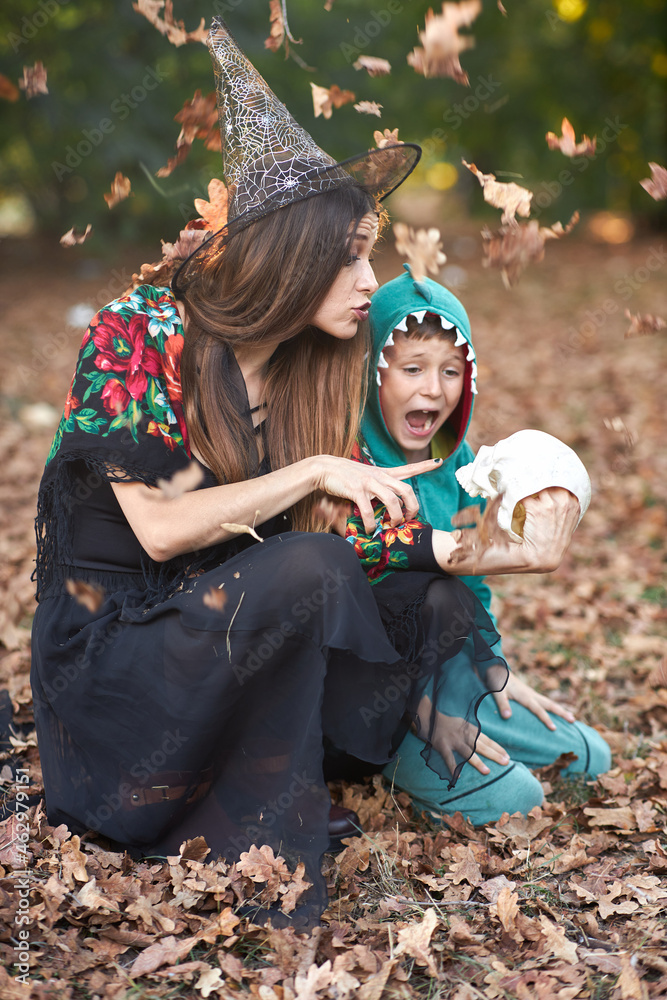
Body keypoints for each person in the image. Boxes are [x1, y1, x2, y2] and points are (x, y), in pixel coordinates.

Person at [30, 20, 525, 929]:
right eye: (347, 258)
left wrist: (489, 546)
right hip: (112, 664)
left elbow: (361, 531)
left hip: (211, 637)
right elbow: (163, 530)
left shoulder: (307, 368)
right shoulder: (139, 330)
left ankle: (270, 771)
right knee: (314, 568)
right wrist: (309, 472)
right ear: (287, 258)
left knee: (423, 596)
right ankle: (239, 799)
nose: (369, 280)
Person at [342, 267, 610, 825]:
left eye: (451, 371)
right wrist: (418, 707)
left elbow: (473, 583)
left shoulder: (458, 464)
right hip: (378, 700)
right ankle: (396, 761)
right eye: (412, 368)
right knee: (517, 799)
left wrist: (492, 671)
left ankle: (471, 714)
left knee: (589, 756)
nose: (433, 389)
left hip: (451, 672)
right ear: (371, 372)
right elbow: (342, 616)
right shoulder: (348, 465)